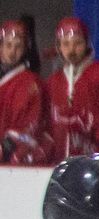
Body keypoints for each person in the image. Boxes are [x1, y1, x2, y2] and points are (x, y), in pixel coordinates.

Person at [42, 15, 99, 160]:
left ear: (87, 44)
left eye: (77, 43)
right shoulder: (53, 83)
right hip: (62, 167)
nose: (72, 49)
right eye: (66, 44)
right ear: (58, 47)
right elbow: (45, 129)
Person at [0, 18, 45, 165]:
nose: (12, 52)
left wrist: (6, 147)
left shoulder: (31, 83)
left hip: (15, 165)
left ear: (25, 49)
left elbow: (29, 128)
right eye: (8, 45)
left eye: (18, 46)